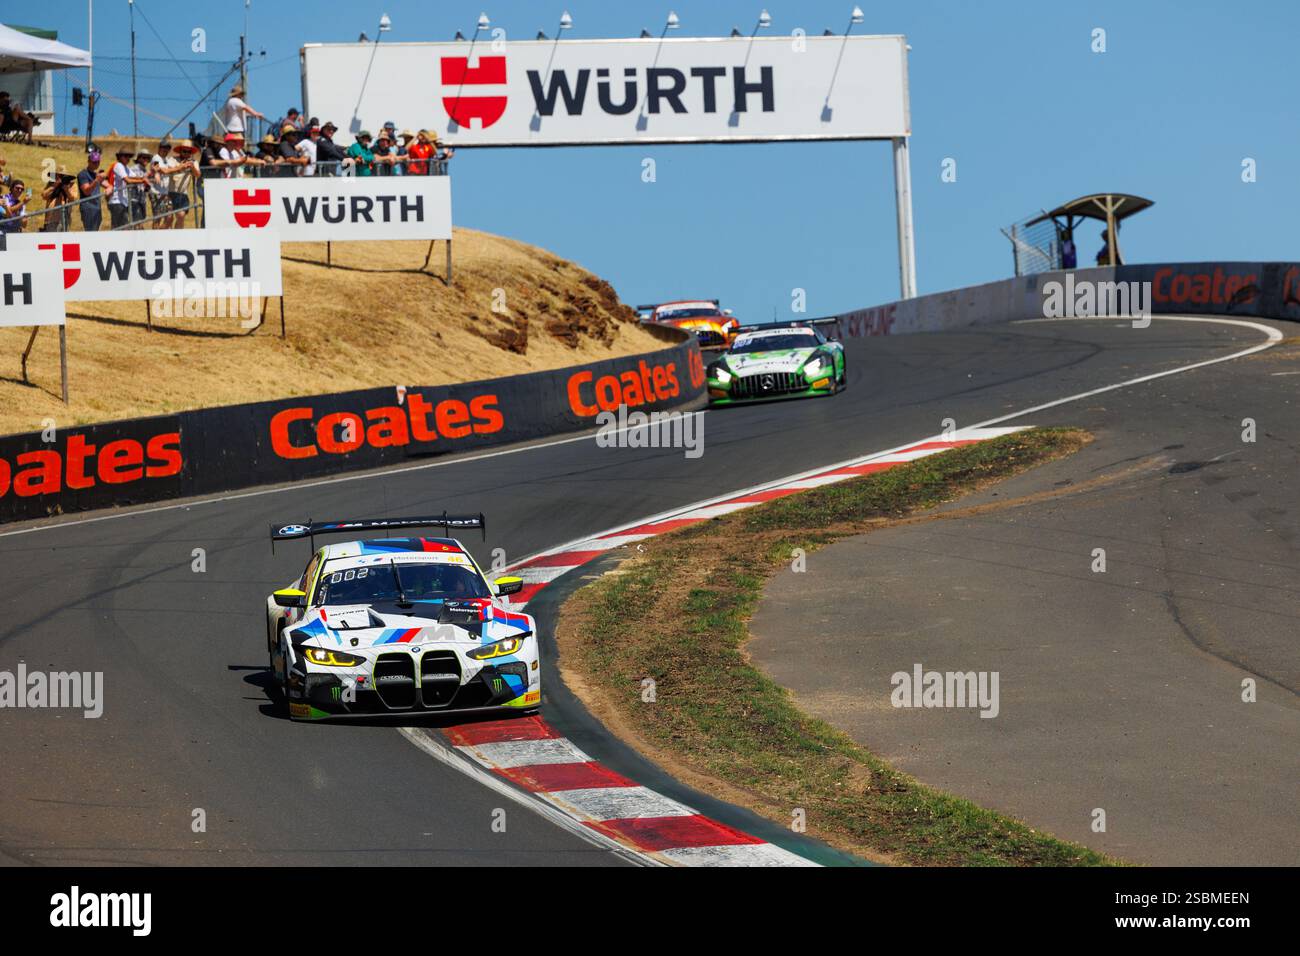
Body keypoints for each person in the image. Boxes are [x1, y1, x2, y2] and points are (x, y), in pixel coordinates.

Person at [167, 140, 200, 227]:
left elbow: (198, 175)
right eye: (184, 151)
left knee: (181, 216)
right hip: (170, 193)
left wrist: (192, 167)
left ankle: (177, 237)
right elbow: (168, 171)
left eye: (189, 151)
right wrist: (181, 167)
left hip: (182, 194)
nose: (186, 153)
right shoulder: (172, 159)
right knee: (168, 219)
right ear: (180, 151)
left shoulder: (193, 162)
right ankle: (161, 236)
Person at [77, 149, 108, 232]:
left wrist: (110, 186)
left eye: (98, 162)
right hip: (88, 208)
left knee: (95, 233)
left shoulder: (95, 174)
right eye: (94, 162)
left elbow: (107, 185)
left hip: (97, 208)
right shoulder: (83, 174)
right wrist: (97, 180)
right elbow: (86, 191)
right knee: (90, 234)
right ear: (88, 161)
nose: (96, 164)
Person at [40, 166, 77, 232]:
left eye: (62, 176)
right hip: (50, 218)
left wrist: (66, 190)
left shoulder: (72, 185)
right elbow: (44, 196)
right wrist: (55, 185)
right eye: (58, 175)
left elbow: (73, 199)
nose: (60, 178)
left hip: (64, 218)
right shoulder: (51, 184)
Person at [148, 140, 176, 228]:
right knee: (158, 217)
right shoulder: (156, 158)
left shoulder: (166, 160)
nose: (165, 150)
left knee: (170, 217)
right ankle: (156, 236)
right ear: (159, 148)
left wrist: (180, 166)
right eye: (163, 148)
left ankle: (160, 233)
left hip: (164, 192)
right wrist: (180, 167)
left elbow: (172, 168)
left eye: (167, 148)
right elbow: (163, 170)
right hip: (156, 192)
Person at [129, 149, 152, 227]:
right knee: (137, 225)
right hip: (135, 200)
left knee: (140, 223)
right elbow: (134, 180)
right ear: (139, 158)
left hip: (141, 200)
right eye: (144, 157)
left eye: (147, 158)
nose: (146, 160)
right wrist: (146, 176)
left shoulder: (145, 170)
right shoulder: (134, 168)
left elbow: (144, 187)